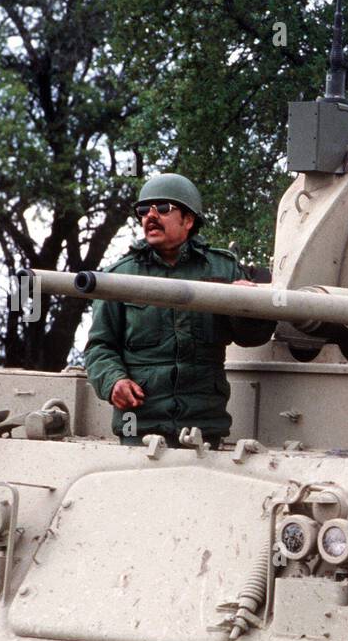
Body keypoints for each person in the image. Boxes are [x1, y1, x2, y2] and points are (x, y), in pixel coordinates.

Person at [84, 173, 275, 446]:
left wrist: (249, 306)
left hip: (204, 426)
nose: (150, 216)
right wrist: (114, 381)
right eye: (143, 210)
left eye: (162, 209)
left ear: (188, 219)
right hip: (138, 425)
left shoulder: (223, 268)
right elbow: (99, 346)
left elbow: (252, 338)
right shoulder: (119, 277)